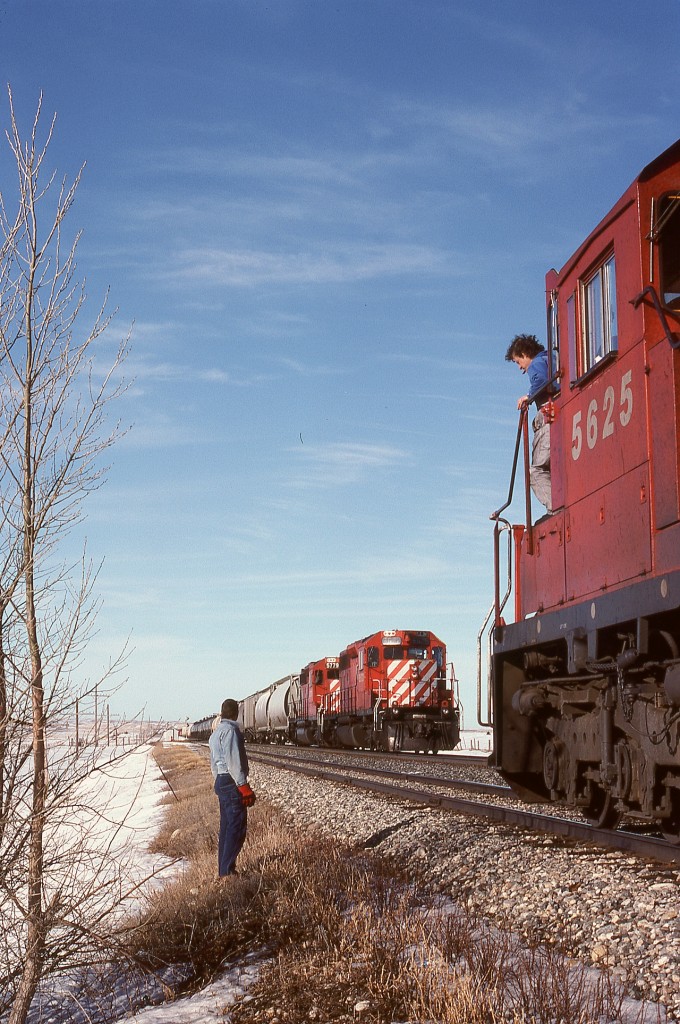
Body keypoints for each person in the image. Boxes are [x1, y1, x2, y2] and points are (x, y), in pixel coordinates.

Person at [505, 333, 553, 513]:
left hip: (549, 418)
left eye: (518, 362)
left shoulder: (537, 363)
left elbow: (541, 380)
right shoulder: (551, 358)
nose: (520, 367)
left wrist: (529, 396)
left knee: (536, 471)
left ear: (525, 354)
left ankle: (555, 507)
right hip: (556, 414)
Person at [208, 698, 255, 877]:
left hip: (221, 780)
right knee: (236, 828)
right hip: (231, 781)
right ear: (236, 713)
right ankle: (227, 872)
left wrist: (219, 780)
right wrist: (243, 786)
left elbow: (214, 764)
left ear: (222, 713)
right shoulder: (231, 732)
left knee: (226, 828)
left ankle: (223, 870)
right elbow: (233, 762)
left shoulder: (215, 734)